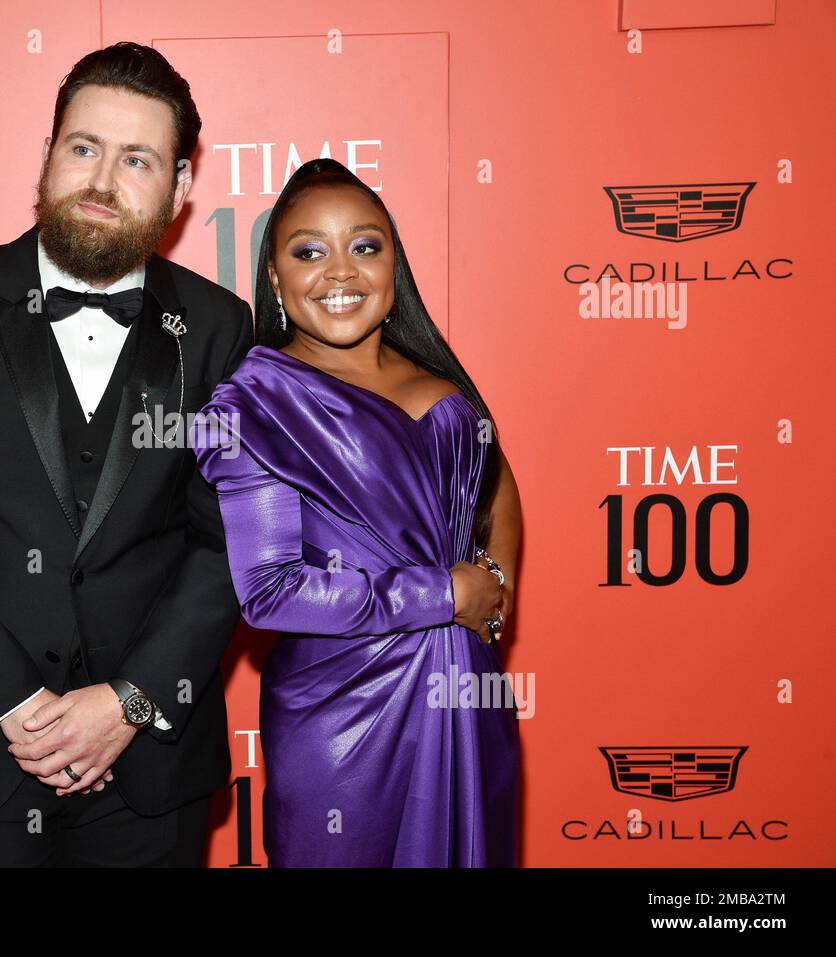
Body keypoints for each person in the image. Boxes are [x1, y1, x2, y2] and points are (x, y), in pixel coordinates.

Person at [0, 42, 253, 866]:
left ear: (181, 188)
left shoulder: (220, 328)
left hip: (150, 766)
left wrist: (130, 701)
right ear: (47, 156)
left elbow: (229, 539)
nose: (103, 181)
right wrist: (16, 702)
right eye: (84, 148)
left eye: (138, 158)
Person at [190, 158, 522, 867]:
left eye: (365, 246)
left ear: (394, 265)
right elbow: (270, 590)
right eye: (308, 252)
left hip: (468, 697)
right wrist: (444, 592)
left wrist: (497, 584)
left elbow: (495, 486)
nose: (340, 272)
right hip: (344, 722)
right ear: (275, 280)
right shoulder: (254, 403)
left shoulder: (441, 384)